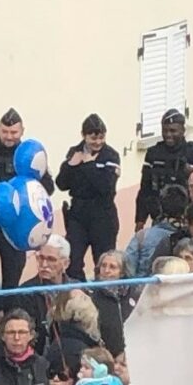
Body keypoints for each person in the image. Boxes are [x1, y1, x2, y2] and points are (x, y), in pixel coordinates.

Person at [51, 116, 120, 280]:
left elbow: (106, 187)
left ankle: (103, 298)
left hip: (103, 216)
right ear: (84, 135)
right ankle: (79, 292)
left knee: (104, 263)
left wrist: (89, 165)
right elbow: (61, 184)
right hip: (78, 216)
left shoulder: (110, 156)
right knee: (72, 261)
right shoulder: (74, 152)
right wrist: (70, 166)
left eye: (101, 137)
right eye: (93, 138)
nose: (97, 142)